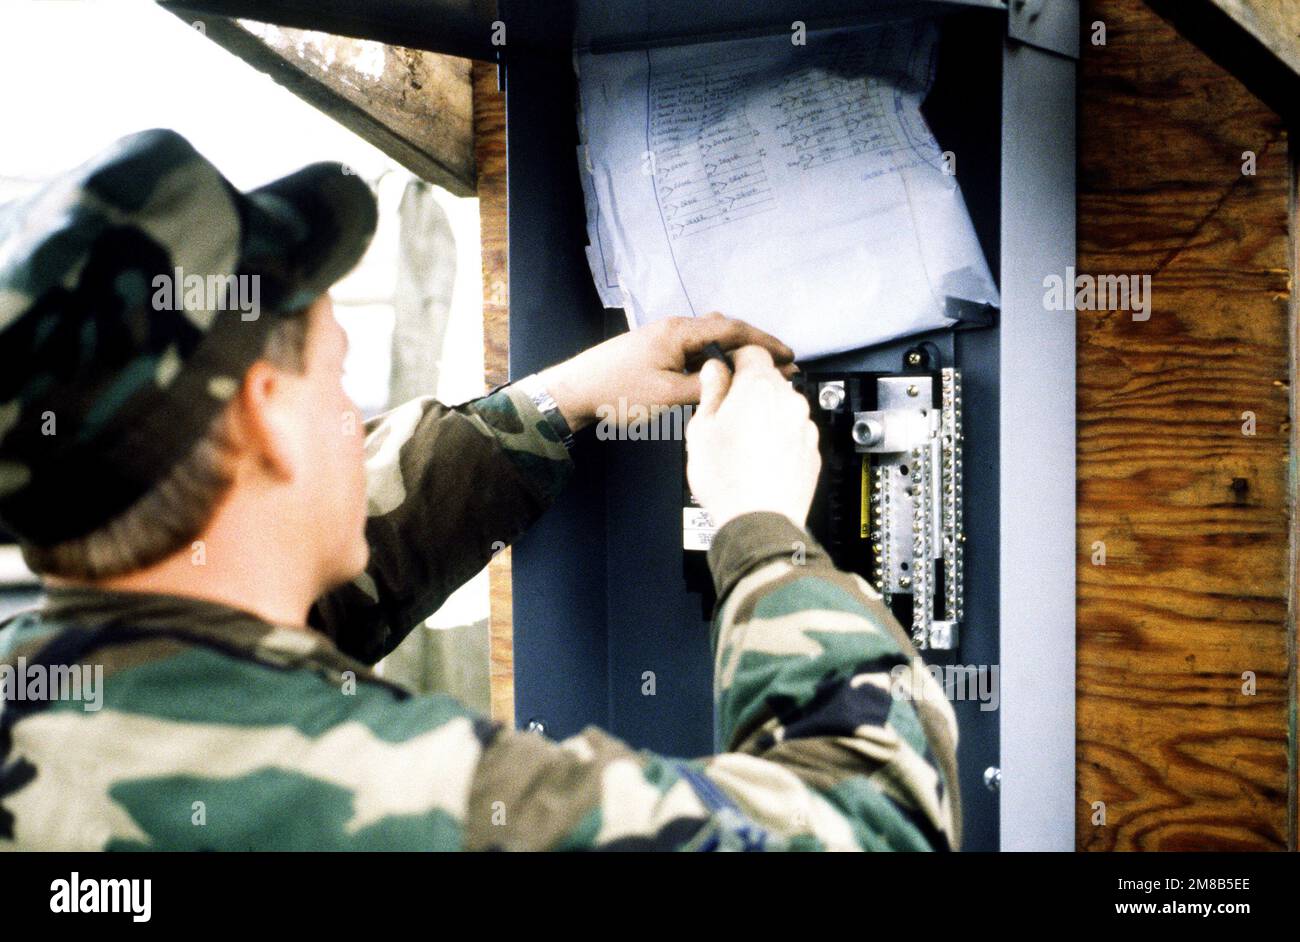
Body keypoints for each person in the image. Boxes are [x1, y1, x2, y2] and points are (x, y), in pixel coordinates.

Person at [0, 129, 959, 850]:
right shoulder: (413, 798)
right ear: (263, 416)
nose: (354, 413)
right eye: (338, 380)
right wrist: (762, 534)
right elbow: (876, 822)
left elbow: (275, 587)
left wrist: (566, 396)